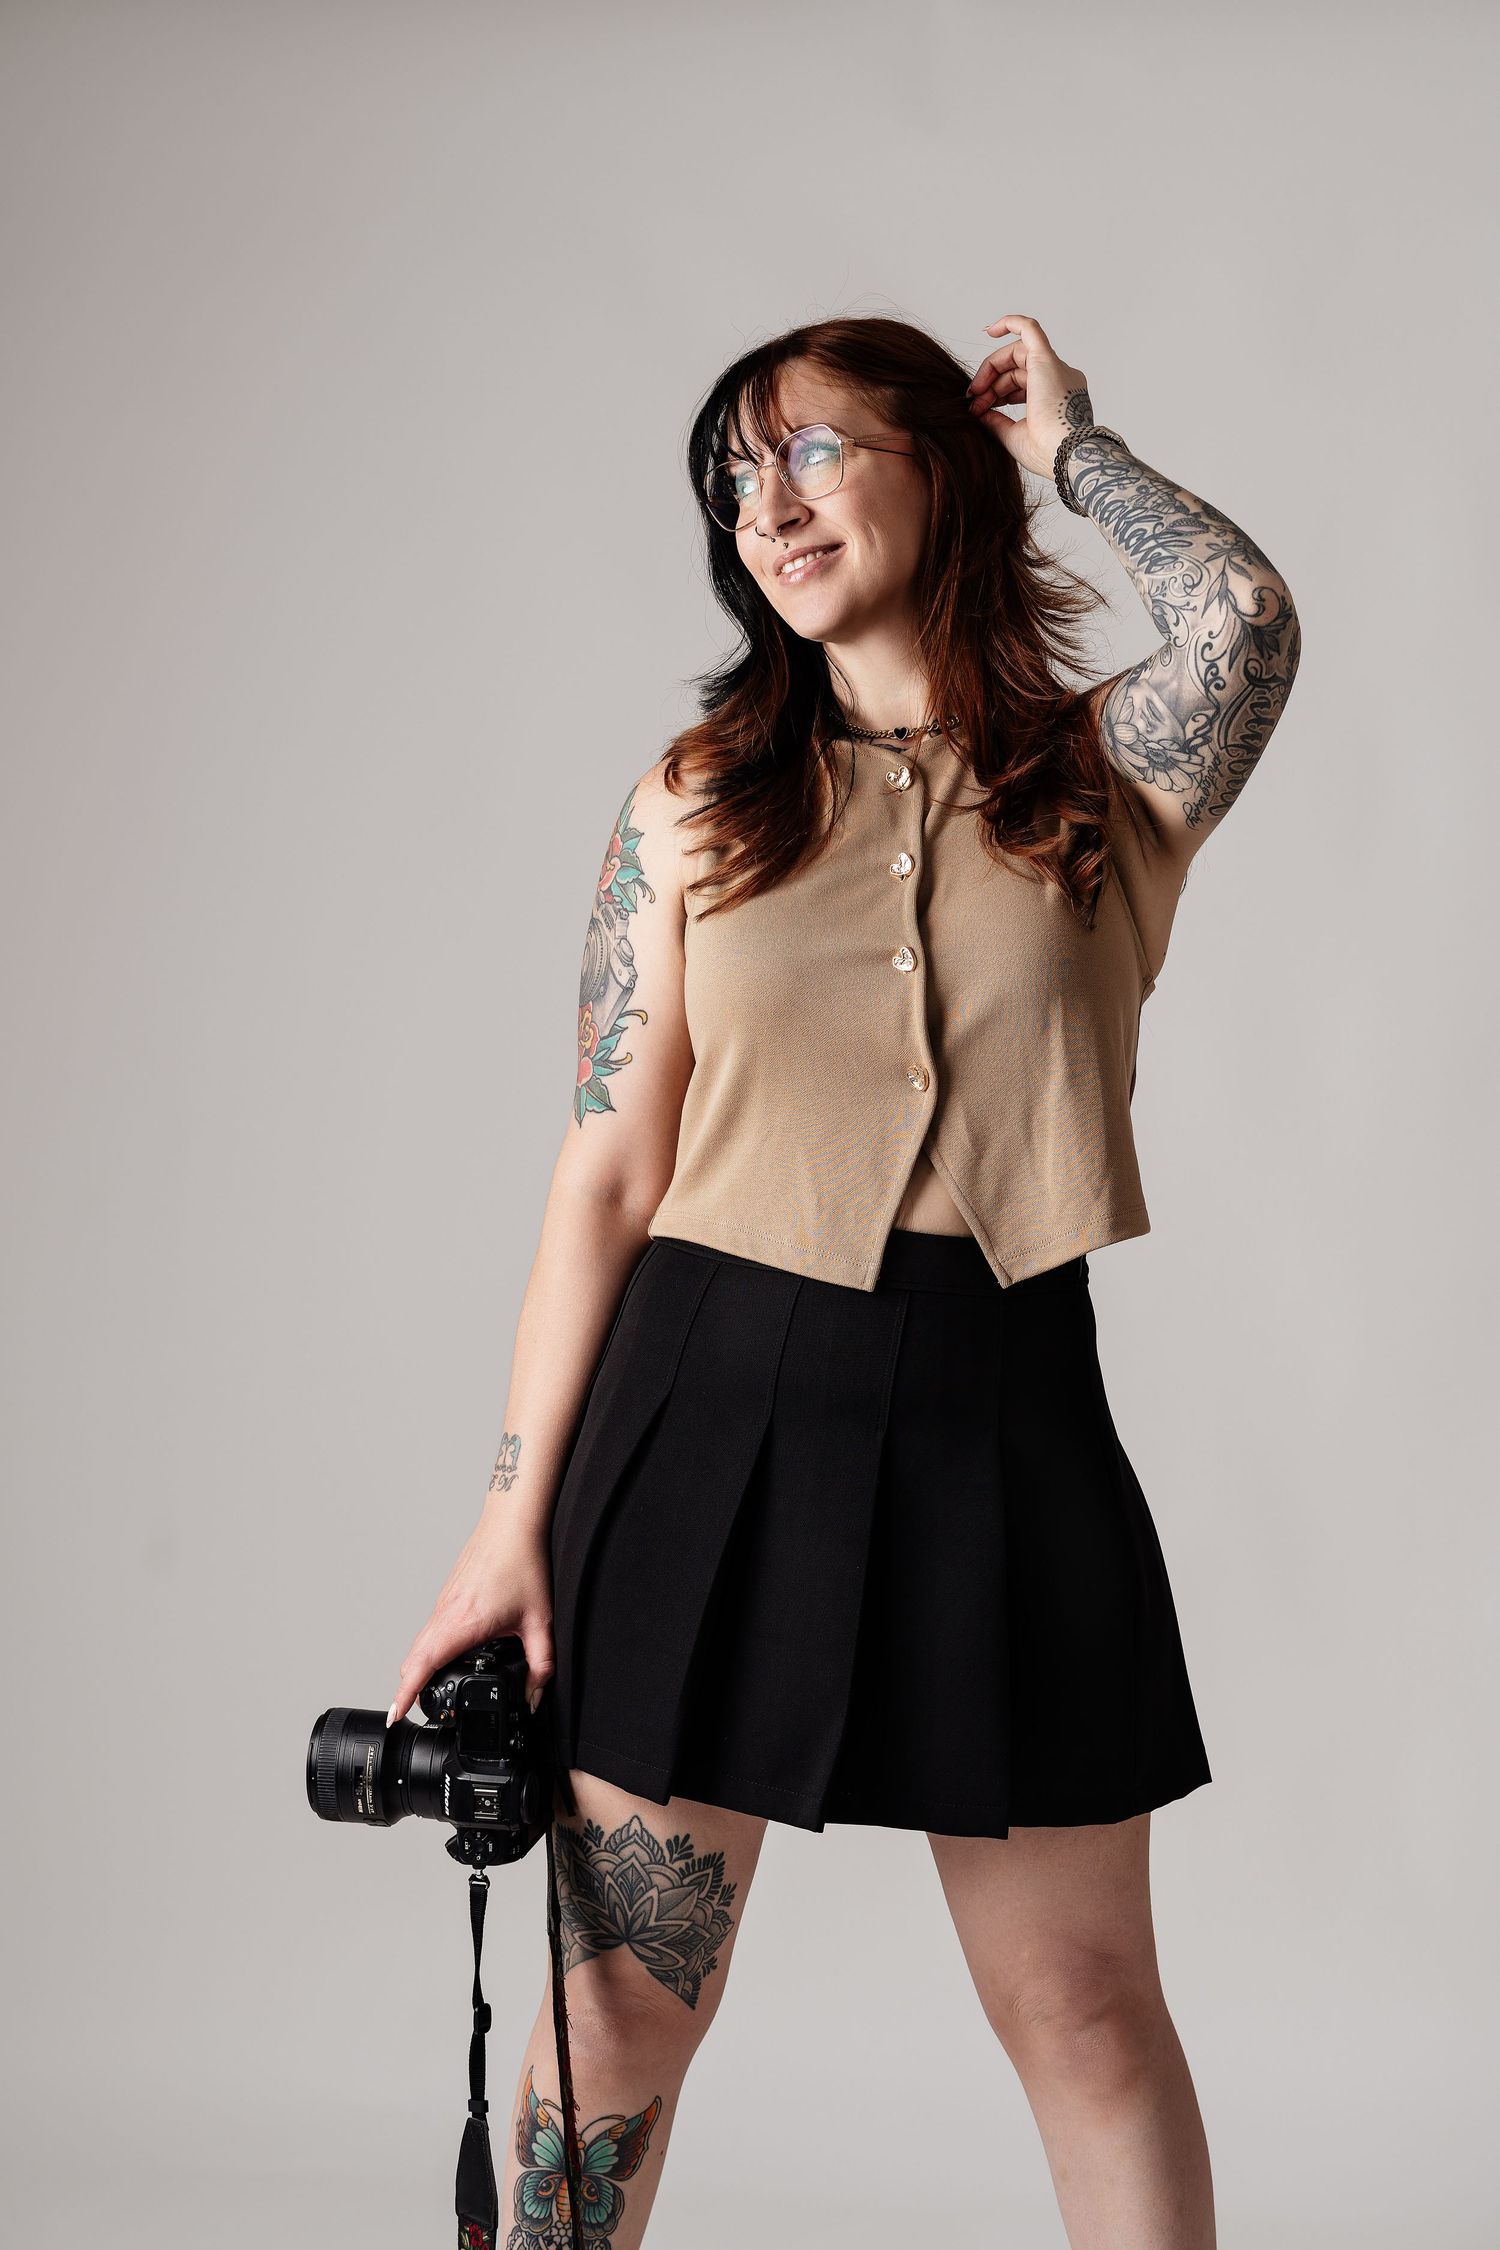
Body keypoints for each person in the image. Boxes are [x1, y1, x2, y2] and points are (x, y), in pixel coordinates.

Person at [389, 311, 1302, 2250]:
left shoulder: (1102, 783)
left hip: (1008, 1418)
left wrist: (1073, 451)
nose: (768, 507)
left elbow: (1245, 618)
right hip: (706, 1414)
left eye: (809, 451)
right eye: (736, 480)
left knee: (1085, 2012)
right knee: (617, 2013)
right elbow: (606, 1171)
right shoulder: (694, 798)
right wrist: (506, 1522)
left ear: (939, 467)